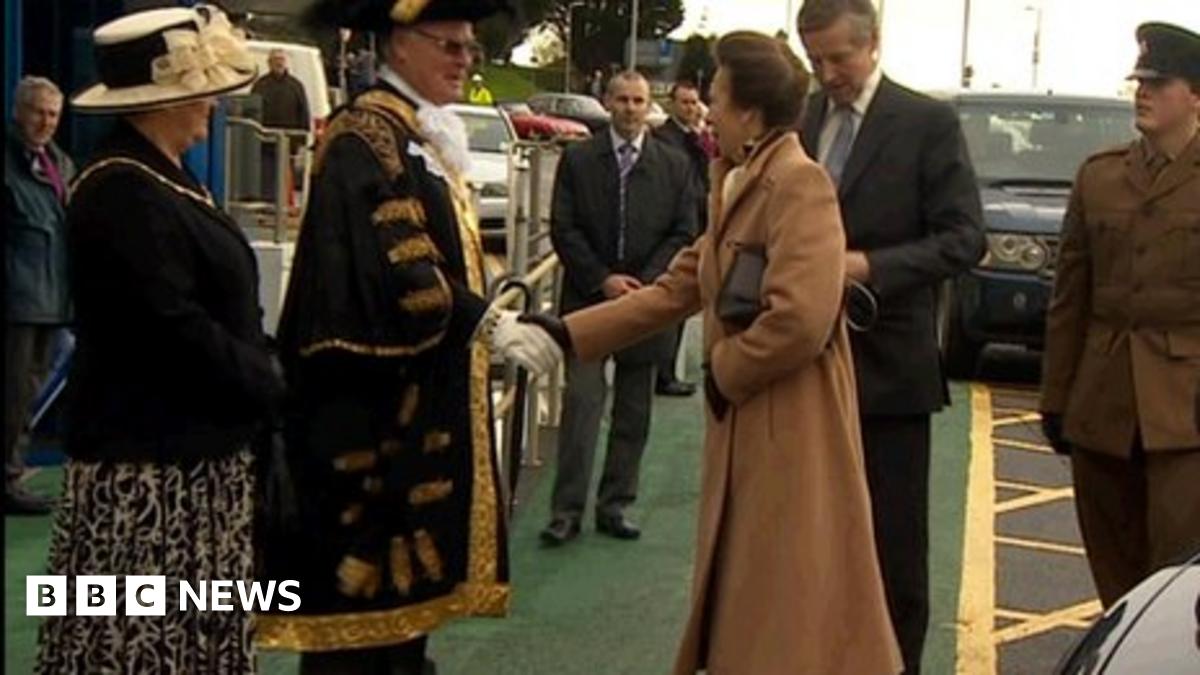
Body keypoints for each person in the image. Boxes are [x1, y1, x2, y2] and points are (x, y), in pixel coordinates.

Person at [522, 31, 900, 674]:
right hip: (753, 426)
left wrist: (724, 373)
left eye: (718, 97)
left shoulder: (797, 184)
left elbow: (801, 318)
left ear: (749, 112)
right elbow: (677, 287)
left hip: (789, 432)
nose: (704, 110)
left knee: (784, 606)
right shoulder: (737, 178)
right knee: (753, 598)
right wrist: (565, 334)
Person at [258, 1, 559, 673]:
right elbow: (398, 259)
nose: (465, 59)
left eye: (469, 46)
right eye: (448, 44)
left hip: (412, 404)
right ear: (399, 45)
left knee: (401, 627)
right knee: (362, 630)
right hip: (369, 417)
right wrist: (485, 320)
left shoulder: (408, 130)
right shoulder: (364, 135)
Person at [35, 6, 280, 673]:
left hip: (197, 464)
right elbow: (170, 325)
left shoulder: (163, 173)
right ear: (167, 98)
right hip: (147, 477)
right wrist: (266, 380)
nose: (213, 103)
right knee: (135, 645)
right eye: (204, 89)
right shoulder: (120, 189)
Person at [797, 2, 985, 671]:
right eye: (815, 61)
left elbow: (965, 238)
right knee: (817, 545)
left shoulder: (927, 122)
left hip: (890, 374)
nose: (827, 75)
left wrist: (869, 266)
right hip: (809, 368)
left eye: (838, 60)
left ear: (873, 45)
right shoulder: (808, 116)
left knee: (894, 553)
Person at [1040, 21, 1200, 608]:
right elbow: (1069, 301)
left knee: (1176, 579)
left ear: (1196, 95)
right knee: (1114, 574)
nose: (1143, 92)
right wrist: (1055, 398)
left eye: (1159, 83)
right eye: (1140, 81)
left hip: (1185, 415)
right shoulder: (1100, 175)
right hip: (1104, 406)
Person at [539, 70, 699, 546]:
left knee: (634, 414)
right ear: (606, 102)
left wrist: (646, 286)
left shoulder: (673, 165)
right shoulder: (579, 159)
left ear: (650, 106)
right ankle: (565, 512)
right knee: (582, 408)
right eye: (622, 99)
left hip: (646, 309)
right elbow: (563, 227)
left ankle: (615, 506)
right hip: (589, 304)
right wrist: (602, 279)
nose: (630, 108)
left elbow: (684, 232)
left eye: (639, 101)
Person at [4, 75, 74, 515]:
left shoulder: (60, 164)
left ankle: (12, 472)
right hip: (17, 299)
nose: (45, 122)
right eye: (38, 113)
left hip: (51, 299)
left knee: (28, 394)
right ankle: (8, 480)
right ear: (18, 112)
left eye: (53, 115)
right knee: (12, 395)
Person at [651, 80, 717, 397]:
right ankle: (663, 374)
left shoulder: (696, 138)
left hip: (696, 224)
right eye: (685, 102)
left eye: (694, 103)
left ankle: (665, 370)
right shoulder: (665, 139)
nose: (690, 108)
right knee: (671, 301)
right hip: (677, 226)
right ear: (672, 104)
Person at [252, 48, 311, 201]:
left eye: (281, 59)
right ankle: (267, 206)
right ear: (269, 63)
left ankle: (283, 206)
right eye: (275, 59)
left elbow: (304, 112)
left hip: (288, 142)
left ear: (285, 62)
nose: (278, 62)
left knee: (285, 178)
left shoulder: (296, 86)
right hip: (265, 141)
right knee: (266, 177)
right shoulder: (260, 85)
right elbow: (251, 111)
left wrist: (300, 142)